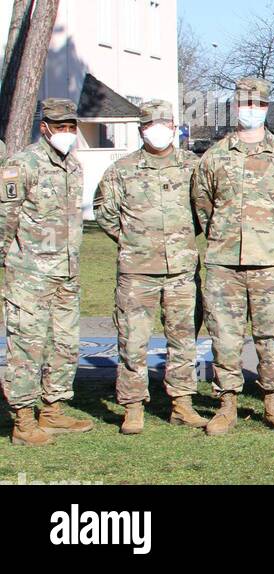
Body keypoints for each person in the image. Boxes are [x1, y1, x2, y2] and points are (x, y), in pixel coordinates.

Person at [191, 77, 274, 435]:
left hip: (270, 263)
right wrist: (225, 233)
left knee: (271, 336)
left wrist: (271, 232)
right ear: (234, 106)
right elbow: (202, 204)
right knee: (225, 337)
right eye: (244, 103)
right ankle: (226, 405)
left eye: (258, 104)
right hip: (224, 263)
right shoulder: (214, 157)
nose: (251, 110)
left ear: (267, 108)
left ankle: (273, 404)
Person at [94, 99, 208, 434]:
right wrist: (134, 242)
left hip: (181, 271)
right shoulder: (121, 170)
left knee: (184, 339)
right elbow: (106, 215)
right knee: (132, 342)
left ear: (174, 127)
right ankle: (132, 407)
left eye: (164, 123)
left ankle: (182, 403)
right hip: (137, 273)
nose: (157, 130)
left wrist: (181, 238)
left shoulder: (192, 167)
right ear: (141, 129)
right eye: (150, 124)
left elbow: (204, 210)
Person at [0, 98, 95, 445]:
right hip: (30, 275)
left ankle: (52, 411)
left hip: (66, 273)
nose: (68, 133)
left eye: (72, 127)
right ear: (45, 128)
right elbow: (4, 219)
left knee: (65, 344)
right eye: (61, 127)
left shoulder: (74, 167)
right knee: (27, 347)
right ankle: (23, 421)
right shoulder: (20, 166)